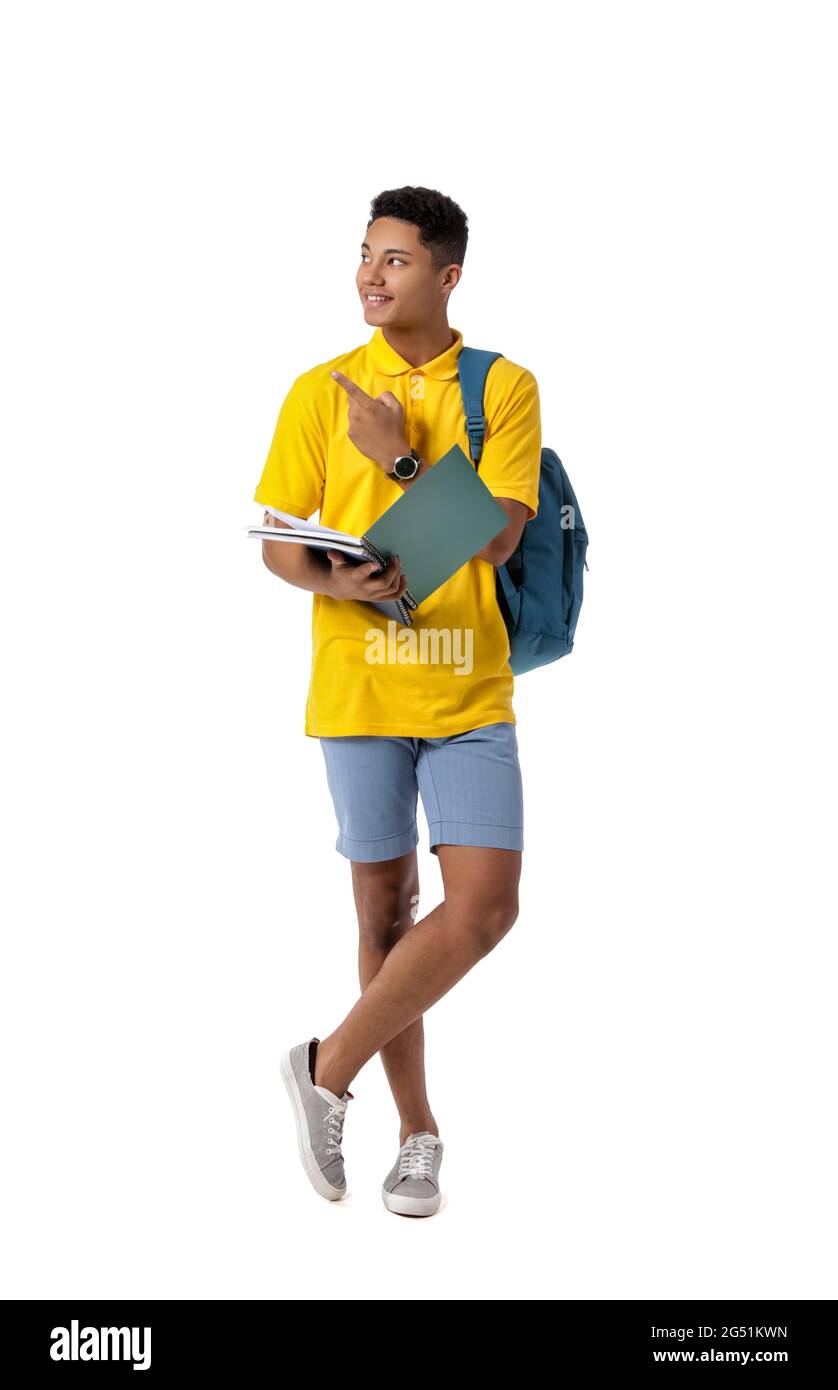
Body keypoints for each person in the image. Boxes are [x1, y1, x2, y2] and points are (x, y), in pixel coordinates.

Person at [253, 185, 542, 1216]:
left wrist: (406, 460)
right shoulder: (318, 389)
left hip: (468, 684)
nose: (371, 275)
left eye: (397, 259)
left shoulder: (501, 387)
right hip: (359, 681)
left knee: (483, 907)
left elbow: (503, 534)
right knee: (385, 910)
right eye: (365, 255)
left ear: (447, 273)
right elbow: (280, 537)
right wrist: (331, 579)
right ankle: (416, 1133)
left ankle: (324, 1066)